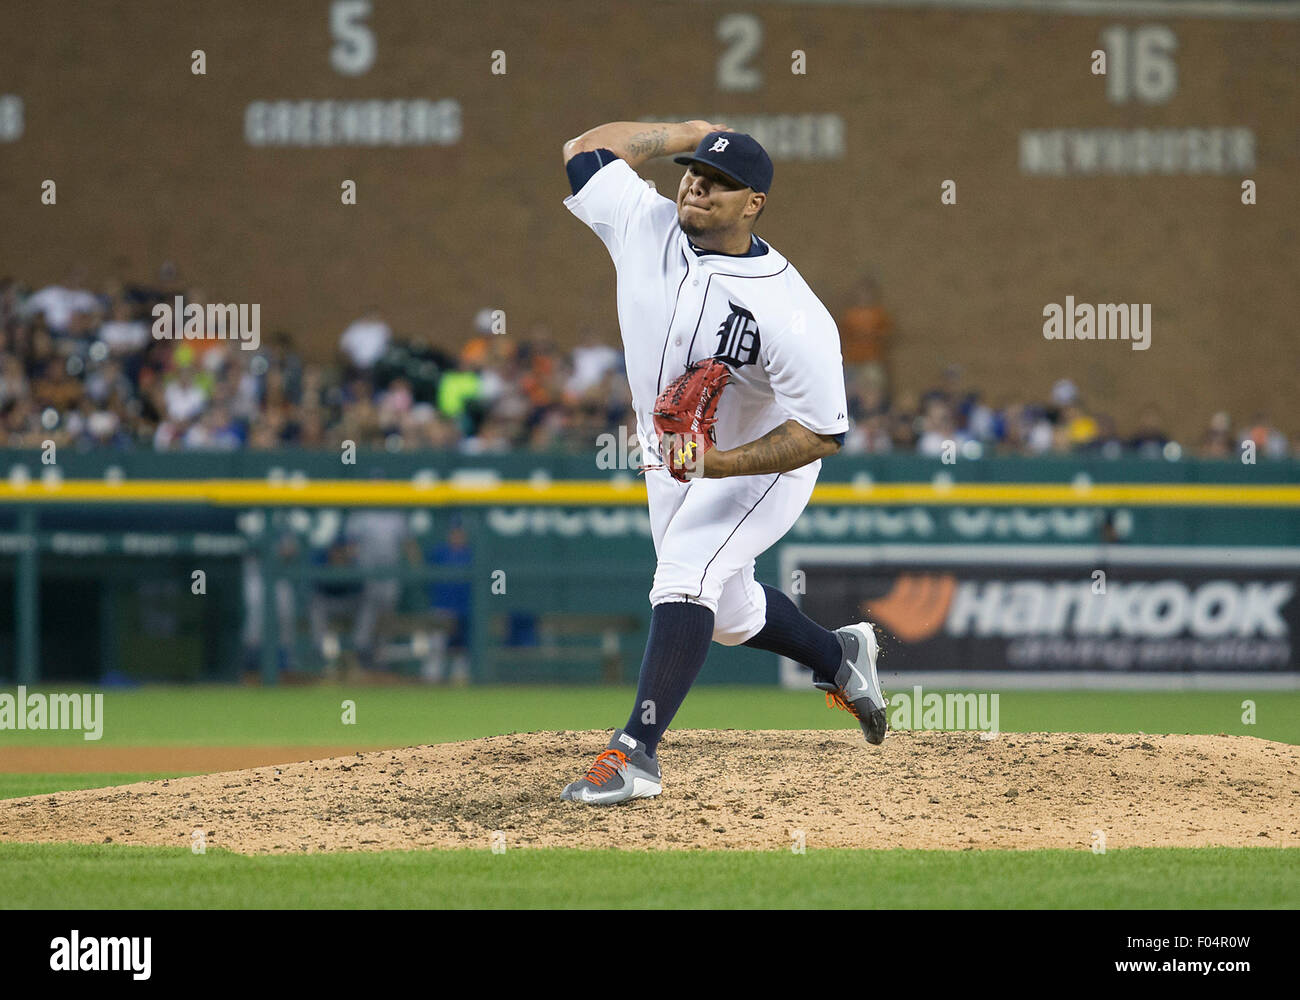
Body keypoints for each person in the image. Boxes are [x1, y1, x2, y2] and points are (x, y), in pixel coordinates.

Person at [557, 119, 888, 805]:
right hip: (673, 462)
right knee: (729, 612)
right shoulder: (645, 225)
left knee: (684, 576)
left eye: (719, 182)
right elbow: (582, 153)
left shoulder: (791, 310)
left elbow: (824, 432)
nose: (697, 186)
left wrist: (724, 462)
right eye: (692, 172)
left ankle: (635, 753)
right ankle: (838, 655)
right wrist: (678, 131)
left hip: (762, 467)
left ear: (753, 203)